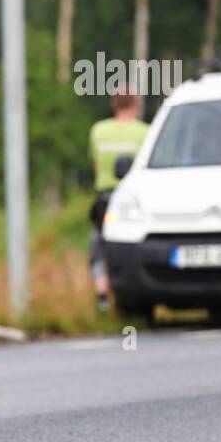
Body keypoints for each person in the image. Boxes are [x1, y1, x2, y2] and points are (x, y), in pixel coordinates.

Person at [89, 90, 150, 312]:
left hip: (104, 198)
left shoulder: (98, 131)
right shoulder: (144, 132)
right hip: (133, 201)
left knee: (98, 247)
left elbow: (95, 165)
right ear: (135, 105)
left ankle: (102, 295)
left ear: (114, 105)